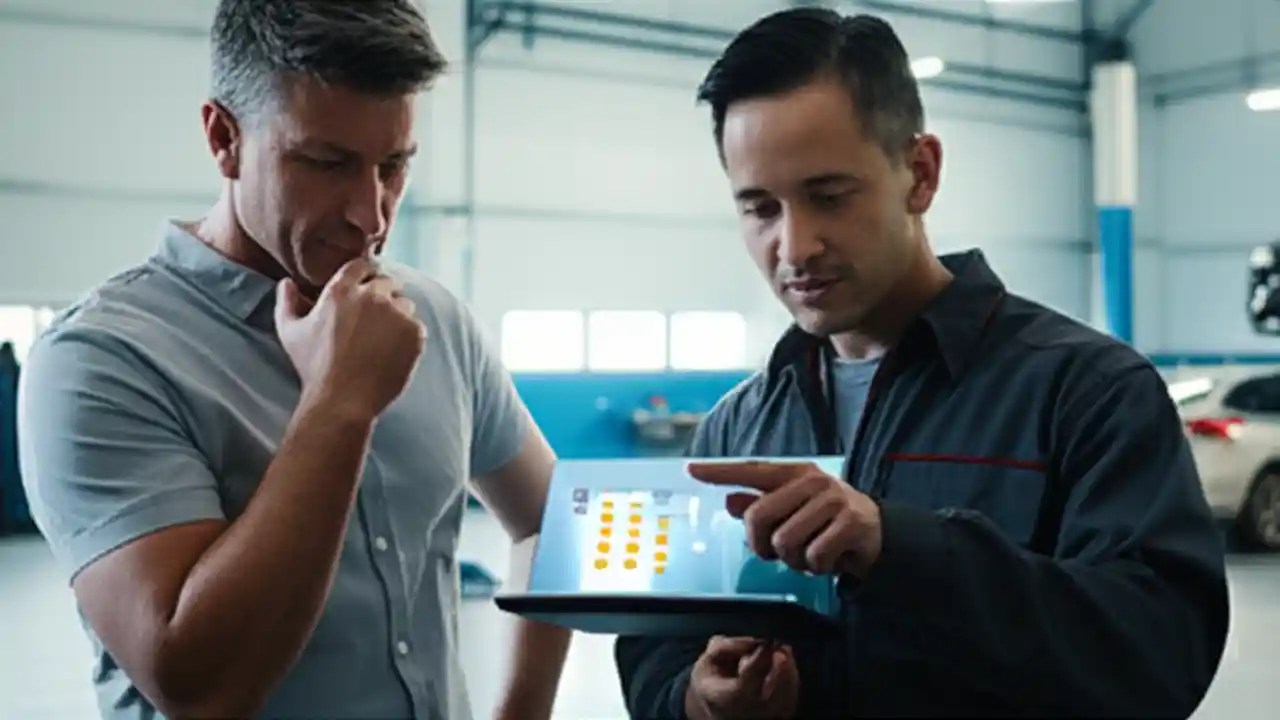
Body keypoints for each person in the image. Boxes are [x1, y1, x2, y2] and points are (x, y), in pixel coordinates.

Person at [614, 8, 1229, 719]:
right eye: (760, 208)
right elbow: (656, 647)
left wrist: (898, 549)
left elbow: (1160, 657)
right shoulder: (737, 430)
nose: (795, 245)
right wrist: (698, 700)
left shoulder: (1087, 395)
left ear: (921, 173)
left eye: (828, 196)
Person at [18, 2, 570, 719]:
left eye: (394, 166)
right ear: (224, 138)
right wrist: (341, 400)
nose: (370, 216)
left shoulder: (433, 318)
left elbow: (553, 517)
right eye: (326, 163)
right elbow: (199, 688)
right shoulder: (102, 361)